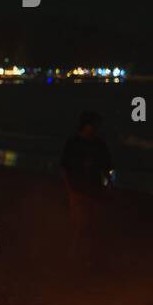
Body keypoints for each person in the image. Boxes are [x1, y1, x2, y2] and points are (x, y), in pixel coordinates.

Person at [60, 111, 113, 265]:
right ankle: (73, 255)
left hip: (93, 189)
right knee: (79, 223)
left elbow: (107, 167)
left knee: (92, 223)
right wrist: (69, 189)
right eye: (94, 125)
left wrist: (109, 184)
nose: (96, 129)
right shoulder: (74, 143)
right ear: (87, 125)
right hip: (77, 189)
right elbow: (64, 167)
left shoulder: (99, 144)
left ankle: (85, 256)